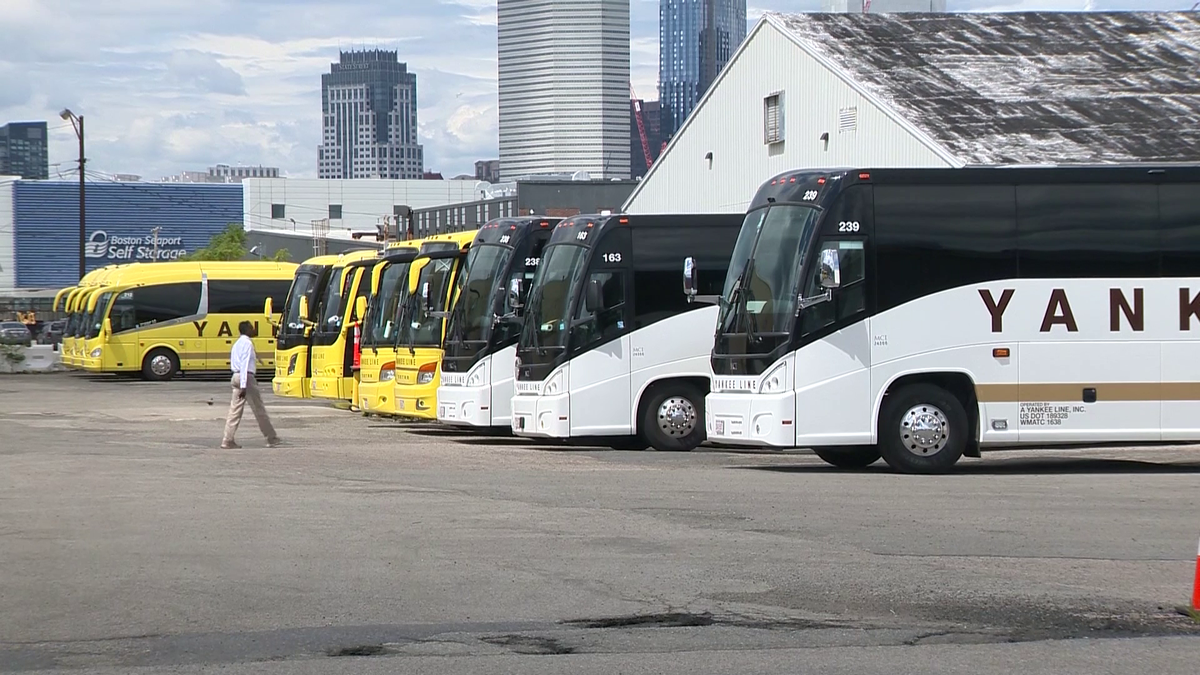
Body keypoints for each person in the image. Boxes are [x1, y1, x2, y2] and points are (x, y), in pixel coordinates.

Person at [222, 321, 281, 449]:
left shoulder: (237, 343)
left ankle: (227, 439)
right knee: (259, 409)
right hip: (246, 378)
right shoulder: (247, 343)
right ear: (247, 329)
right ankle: (271, 437)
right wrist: (244, 385)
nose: (254, 329)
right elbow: (244, 364)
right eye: (251, 327)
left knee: (234, 410)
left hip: (235, 376)